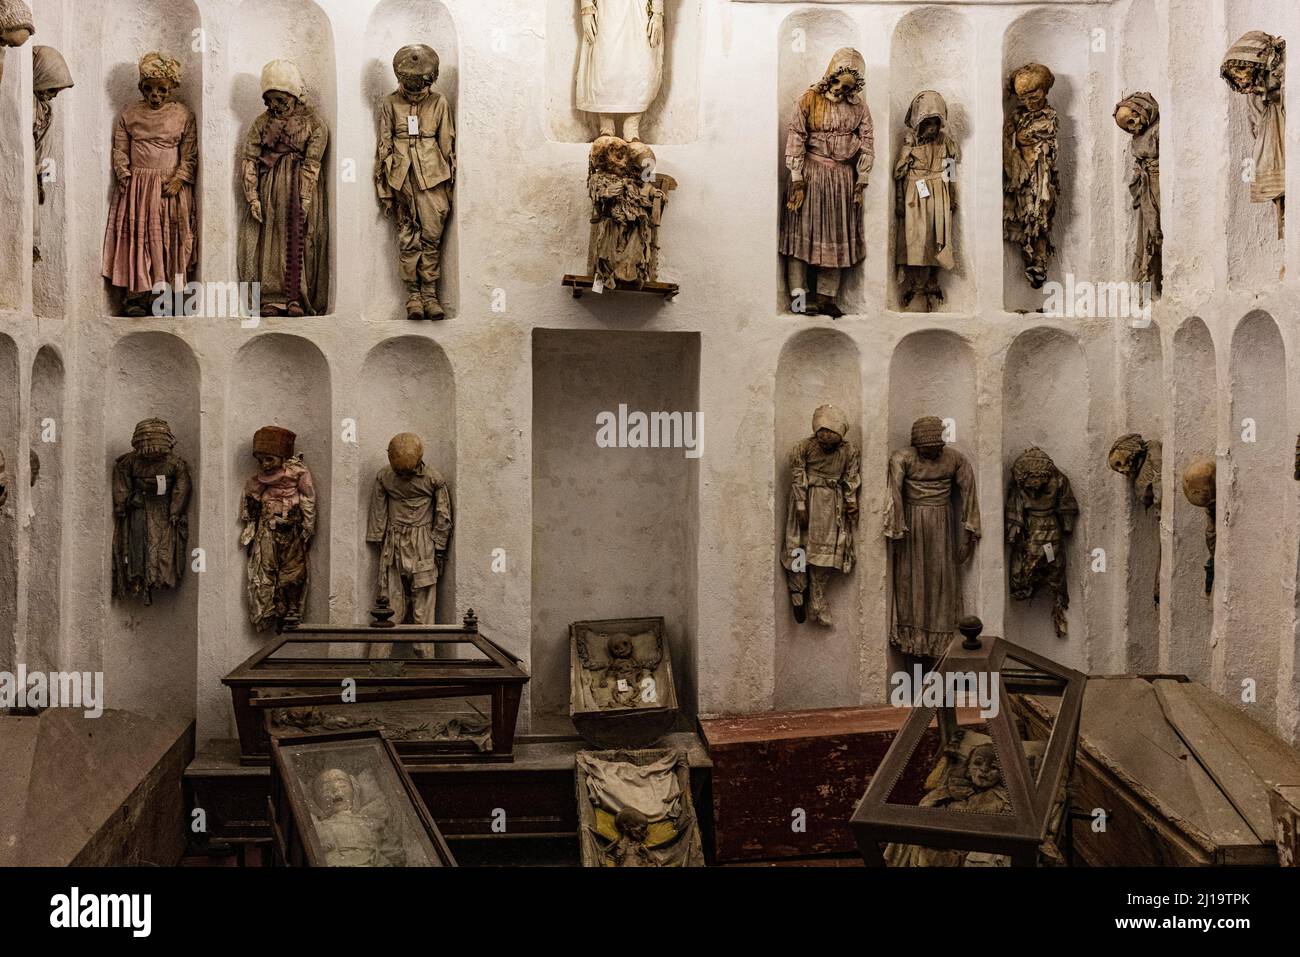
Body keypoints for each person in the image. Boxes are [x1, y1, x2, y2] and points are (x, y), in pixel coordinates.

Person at [101, 53, 197, 316]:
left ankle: (170, 297)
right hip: (138, 188)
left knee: (170, 239)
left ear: (171, 88)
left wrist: (179, 179)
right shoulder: (129, 114)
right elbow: (120, 149)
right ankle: (137, 296)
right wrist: (124, 174)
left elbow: (189, 154)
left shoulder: (182, 115)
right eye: (149, 89)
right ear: (141, 87)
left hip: (169, 187)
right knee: (139, 239)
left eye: (161, 90)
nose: (155, 95)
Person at [781, 48, 873, 318]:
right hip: (810, 175)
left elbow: (867, 140)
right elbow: (796, 134)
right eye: (839, 84)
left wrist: (862, 178)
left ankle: (826, 298)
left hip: (842, 180)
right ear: (831, 76)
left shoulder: (858, 107)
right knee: (802, 237)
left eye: (849, 87)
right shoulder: (809, 99)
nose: (843, 92)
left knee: (834, 235)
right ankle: (798, 299)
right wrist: (796, 177)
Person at [238, 58, 329, 317]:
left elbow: (313, 162)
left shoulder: (314, 123)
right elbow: (250, 158)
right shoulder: (261, 123)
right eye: (270, 101)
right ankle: (272, 296)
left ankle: (297, 296)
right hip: (271, 187)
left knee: (300, 237)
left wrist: (305, 197)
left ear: (292, 95)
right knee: (272, 238)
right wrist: (252, 196)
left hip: (300, 185)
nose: (275, 107)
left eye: (281, 100)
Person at [885, 416, 980, 658]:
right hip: (912, 525)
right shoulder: (902, 458)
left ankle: (940, 642)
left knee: (942, 578)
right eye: (926, 449)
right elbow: (894, 494)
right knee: (910, 579)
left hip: (942, 522)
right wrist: (897, 527)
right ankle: (913, 640)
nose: (932, 453)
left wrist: (968, 532)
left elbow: (969, 494)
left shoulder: (955, 459)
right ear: (916, 445)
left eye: (936, 448)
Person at [375, 44, 455, 320]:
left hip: (433, 178)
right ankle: (413, 296)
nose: (413, 89)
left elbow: (447, 144)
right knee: (408, 238)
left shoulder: (439, 103)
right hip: (402, 179)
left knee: (432, 236)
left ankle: (430, 294)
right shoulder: (389, 103)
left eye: (419, 84)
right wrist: (385, 188)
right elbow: (384, 145)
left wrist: (450, 184)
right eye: (408, 83)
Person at [366, 433, 453, 652]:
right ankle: (378, 661)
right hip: (396, 544)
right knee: (389, 604)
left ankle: (425, 662)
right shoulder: (384, 477)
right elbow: (378, 512)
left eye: (409, 473)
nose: (405, 477)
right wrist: (379, 538)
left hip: (422, 544)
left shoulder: (433, 479)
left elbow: (443, 517)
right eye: (400, 473)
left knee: (423, 608)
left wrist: (439, 548)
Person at [781, 404, 860, 626]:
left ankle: (817, 596)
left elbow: (851, 476)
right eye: (821, 434)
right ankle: (797, 588)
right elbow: (798, 475)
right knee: (798, 545)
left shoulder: (849, 451)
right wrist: (800, 504)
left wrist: (851, 502)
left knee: (823, 554)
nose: (824, 439)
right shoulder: (803, 447)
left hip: (830, 505)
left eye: (830, 435)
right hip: (807, 499)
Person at [240, 426, 316, 632]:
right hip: (268, 528)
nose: (264, 465)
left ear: (282, 457)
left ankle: (291, 609)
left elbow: (308, 497)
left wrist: (308, 525)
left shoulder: (298, 472)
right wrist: (251, 523)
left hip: (292, 527)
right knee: (264, 569)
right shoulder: (259, 478)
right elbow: (251, 496)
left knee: (294, 569)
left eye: (269, 460)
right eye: (260, 460)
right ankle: (267, 610)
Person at [111, 418, 192, 604]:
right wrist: (121, 503)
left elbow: (182, 487)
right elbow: (121, 480)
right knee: (137, 546)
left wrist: (175, 511)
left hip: (164, 512)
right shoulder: (130, 462)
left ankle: (159, 579)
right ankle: (138, 580)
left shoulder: (175, 464)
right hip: (138, 509)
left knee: (163, 548)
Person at [894, 90, 958, 309]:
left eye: (935, 123)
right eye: (927, 123)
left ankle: (932, 280)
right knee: (916, 237)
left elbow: (950, 169)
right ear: (918, 122)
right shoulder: (910, 142)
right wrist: (900, 199)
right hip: (916, 192)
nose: (931, 129)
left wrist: (952, 194)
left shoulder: (945, 142)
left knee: (936, 235)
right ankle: (916, 282)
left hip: (939, 193)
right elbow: (900, 172)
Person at [576, 0, 665, 142]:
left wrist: (657, 12)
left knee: (641, 65)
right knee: (604, 64)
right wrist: (586, 8)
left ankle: (631, 128)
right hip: (607, 9)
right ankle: (606, 127)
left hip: (639, 9)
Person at [1003, 63, 1059, 288]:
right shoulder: (1017, 117)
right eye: (1023, 97)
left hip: (1041, 176)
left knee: (1040, 216)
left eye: (1033, 94)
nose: (1029, 101)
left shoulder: (1049, 116)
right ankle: (1030, 256)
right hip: (1021, 176)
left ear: (1044, 89)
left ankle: (1040, 259)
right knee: (1024, 216)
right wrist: (1015, 145)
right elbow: (1009, 141)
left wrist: (1023, 136)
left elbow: (1040, 134)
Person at [32, 45, 73, 263]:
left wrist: (44, 177)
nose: (54, 96)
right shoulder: (30, 106)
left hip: (35, 172)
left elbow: (44, 146)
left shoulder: (45, 110)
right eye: (51, 89)